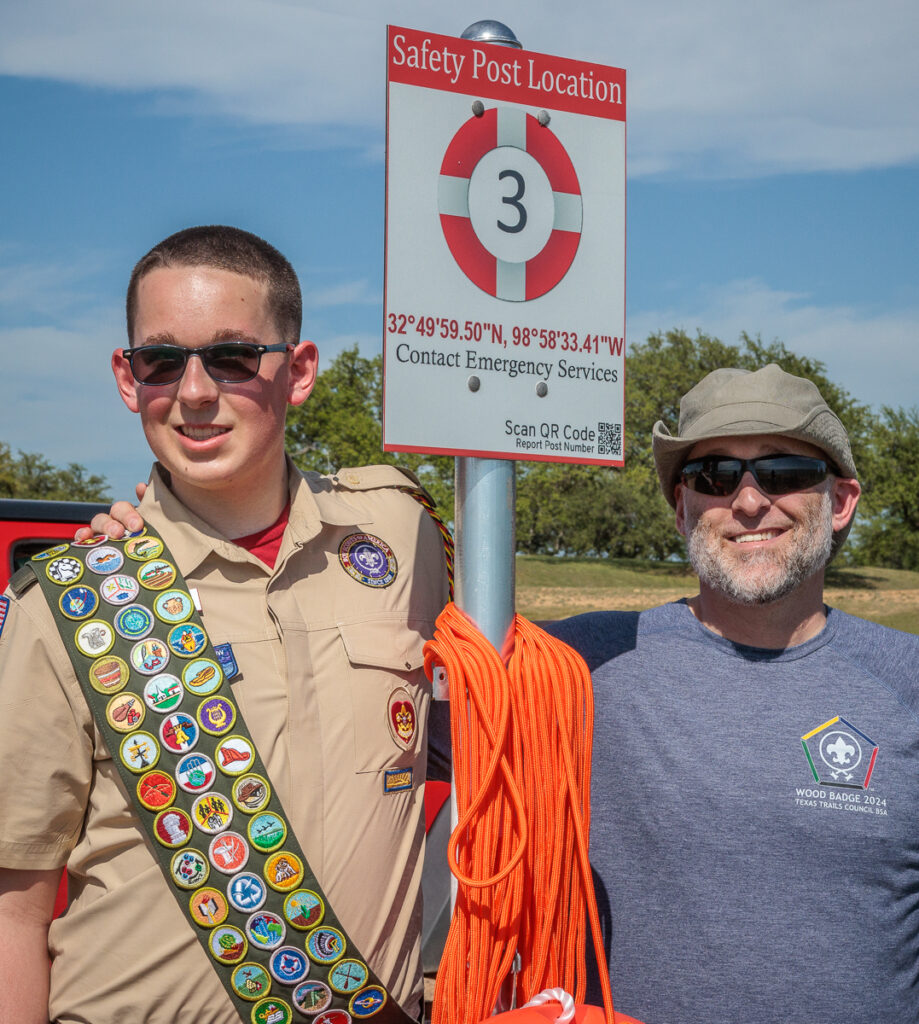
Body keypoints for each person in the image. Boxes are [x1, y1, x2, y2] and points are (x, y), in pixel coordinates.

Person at [0, 225, 449, 1023]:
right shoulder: (77, 600)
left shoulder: (401, 537)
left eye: (234, 356)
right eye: (161, 360)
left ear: (298, 371)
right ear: (127, 376)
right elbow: (14, 905)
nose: (195, 391)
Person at [547, 364, 919, 1023]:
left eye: (781, 473)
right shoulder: (578, 662)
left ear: (839, 501)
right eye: (713, 476)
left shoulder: (906, 677)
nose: (748, 502)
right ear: (680, 507)